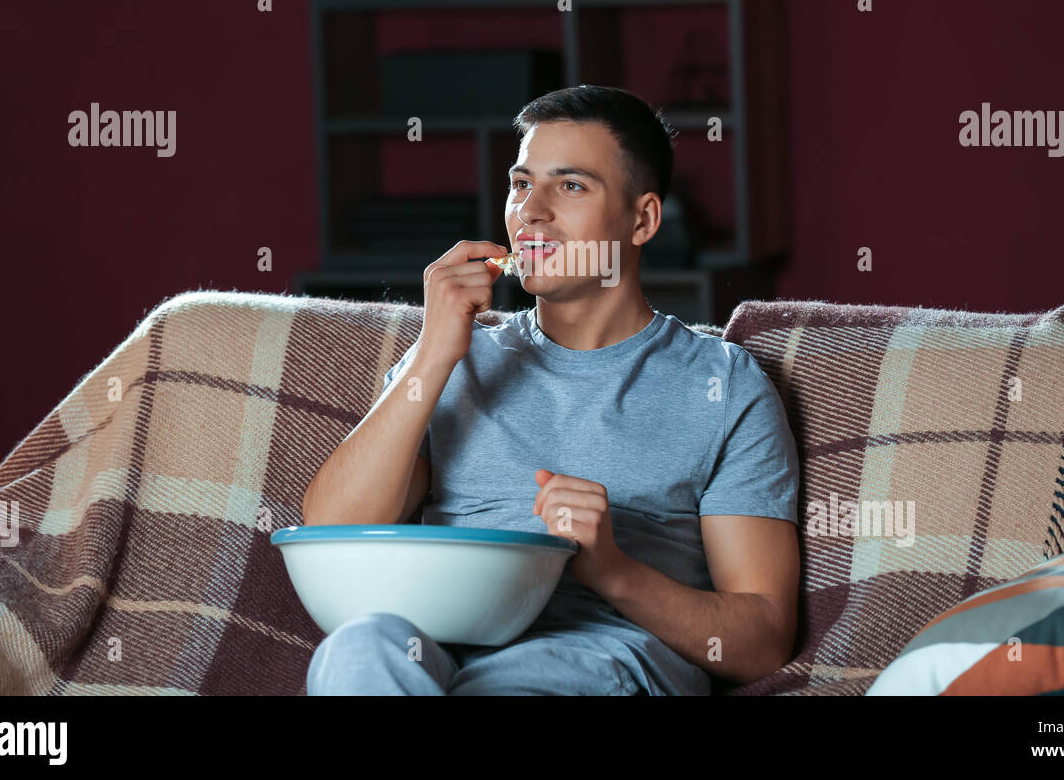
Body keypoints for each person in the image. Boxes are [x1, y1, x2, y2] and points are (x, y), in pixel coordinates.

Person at [302, 84, 800, 695]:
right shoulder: (450, 356)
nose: (530, 211)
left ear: (641, 220)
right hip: (437, 646)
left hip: (596, 659)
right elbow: (332, 530)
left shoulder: (724, 385)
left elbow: (764, 638)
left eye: (570, 185)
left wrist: (613, 571)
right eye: (520, 184)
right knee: (358, 648)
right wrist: (433, 354)